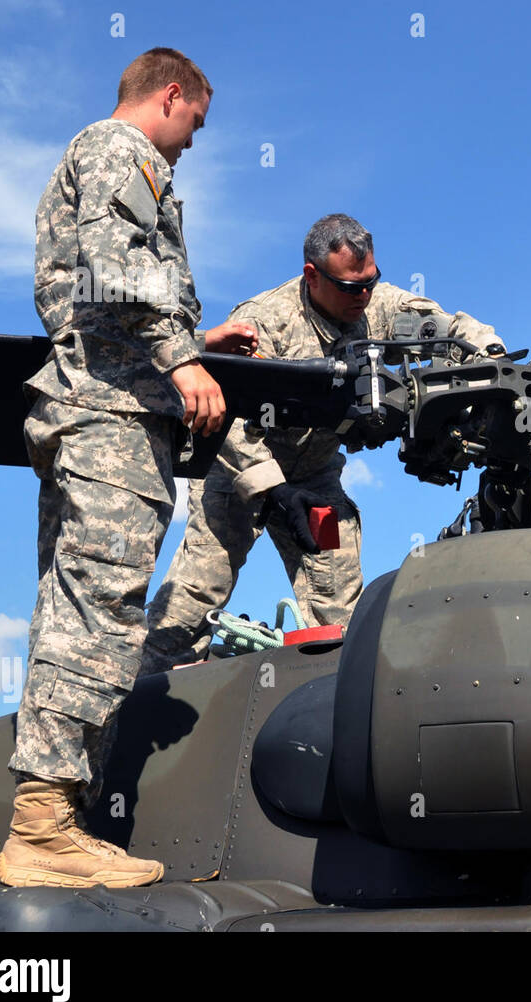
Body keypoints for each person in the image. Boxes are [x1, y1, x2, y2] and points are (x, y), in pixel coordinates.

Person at [0, 48, 259, 889]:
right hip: (109, 414)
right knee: (103, 608)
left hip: (90, 402)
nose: (190, 146)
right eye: (194, 125)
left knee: (75, 604)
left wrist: (197, 336)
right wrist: (184, 360)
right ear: (171, 96)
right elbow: (116, 261)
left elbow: (91, 288)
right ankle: (41, 829)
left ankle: (58, 822)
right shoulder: (122, 148)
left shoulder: (94, 155)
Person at [142, 213, 505, 672]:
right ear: (313, 275)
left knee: (337, 596)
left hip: (314, 475)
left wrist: (492, 357)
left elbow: (450, 331)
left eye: (371, 281)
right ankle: (140, 699)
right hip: (239, 476)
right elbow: (228, 420)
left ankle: (329, 695)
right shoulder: (262, 321)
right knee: (195, 595)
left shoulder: (379, 305)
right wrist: (274, 489)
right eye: (351, 288)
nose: (364, 296)